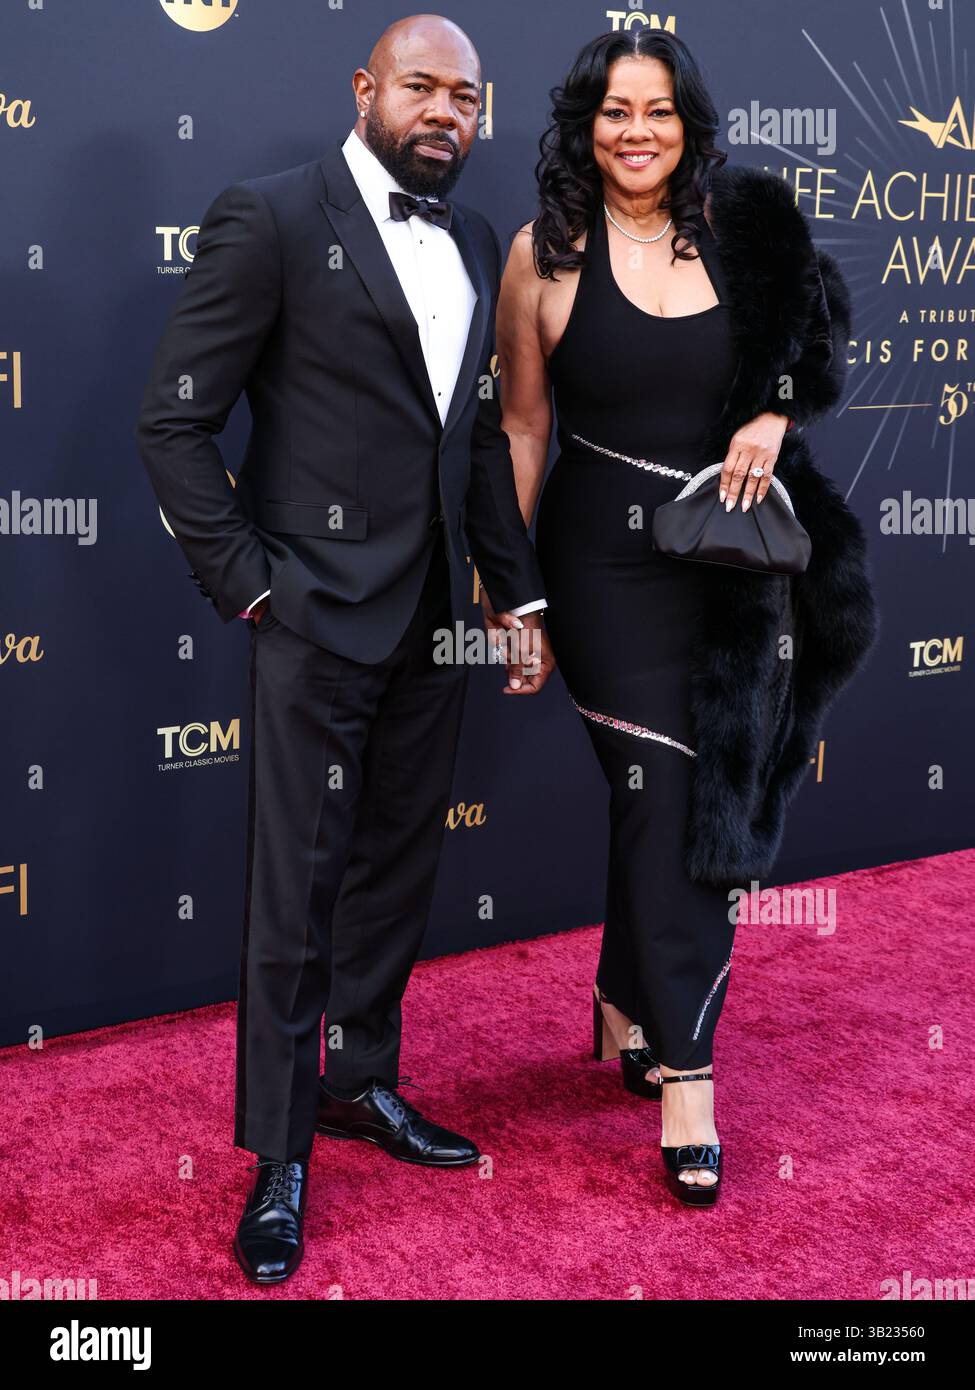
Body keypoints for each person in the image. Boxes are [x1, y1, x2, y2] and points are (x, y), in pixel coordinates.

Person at [136, 14, 553, 1282]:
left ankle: (360, 1082)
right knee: (292, 895)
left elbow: (474, 442)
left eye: (467, 97)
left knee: (394, 868)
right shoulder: (268, 216)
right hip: (312, 618)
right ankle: (277, 1154)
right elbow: (172, 423)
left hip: (433, 620)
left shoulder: (479, 240)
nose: (447, 112)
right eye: (423, 87)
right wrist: (252, 587)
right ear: (365, 89)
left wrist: (514, 599)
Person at [495, 28, 877, 1206]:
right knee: (669, 794)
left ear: (688, 122)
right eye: (615, 111)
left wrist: (775, 415)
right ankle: (691, 1082)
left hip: (730, 564)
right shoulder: (542, 256)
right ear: (583, 123)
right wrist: (516, 595)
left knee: (672, 794)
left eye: (657, 110)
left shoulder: (751, 226)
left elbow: (816, 340)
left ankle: (624, 1000)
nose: (637, 132)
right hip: (602, 570)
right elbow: (520, 429)